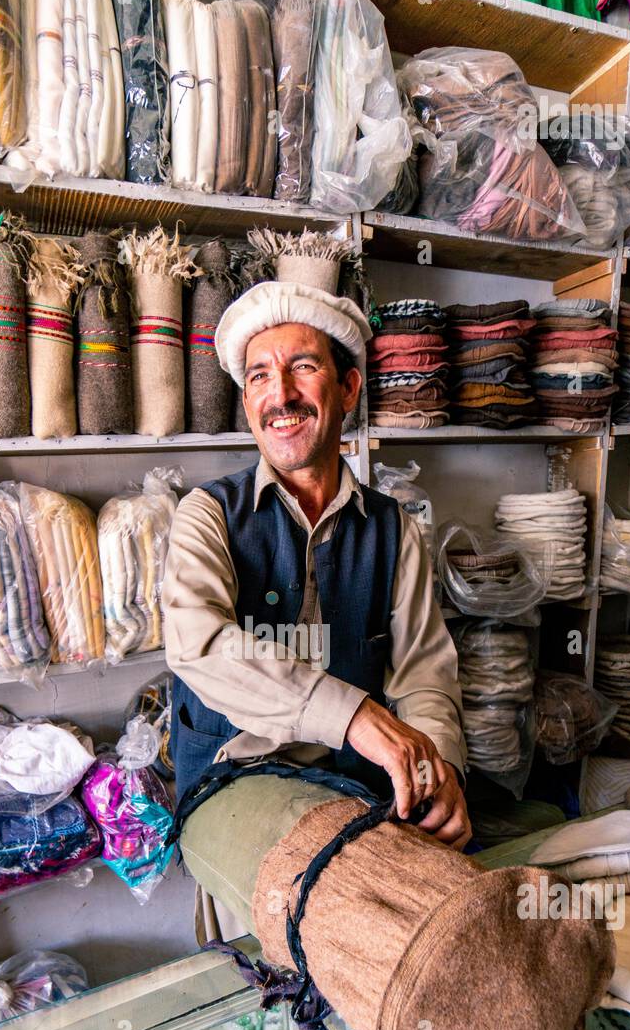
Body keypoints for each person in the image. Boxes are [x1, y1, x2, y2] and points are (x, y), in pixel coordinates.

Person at [162, 281, 469, 942]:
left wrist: (439, 767)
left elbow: (424, 673)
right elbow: (198, 643)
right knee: (336, 908)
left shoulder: (395, 530)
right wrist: (356, 717)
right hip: (233, 772)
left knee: (438, 908)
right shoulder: (208, 514)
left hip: (361, 774)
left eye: (303, 367)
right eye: (260, 377)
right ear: (248, 401)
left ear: (349, 390)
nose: (282, 396)